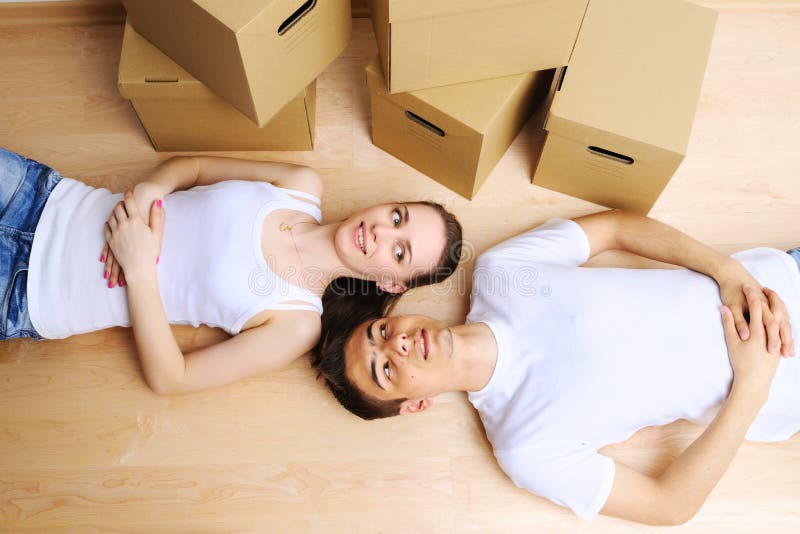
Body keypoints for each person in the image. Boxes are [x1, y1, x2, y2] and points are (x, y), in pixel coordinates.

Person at [312, 209, 800, 525]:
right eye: (385, 371)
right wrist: (753, 388)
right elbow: (669, 505)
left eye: (379, 333)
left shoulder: (501, 273)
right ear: (415, 404)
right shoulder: (524, 447)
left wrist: (729, 271)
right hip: (788, 383)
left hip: (781, 276)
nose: (395, 345)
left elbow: (616, 228)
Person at [0, 148, 463, 396]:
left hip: (27, 290)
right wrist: (149, 190)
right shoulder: (301, 186)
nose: (381, 231)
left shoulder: (297, 321)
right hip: (41, 194)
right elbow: (195, 166)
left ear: (390, 283)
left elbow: (172, 378)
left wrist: (139, 268)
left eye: (400, 252)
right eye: (398, 216)